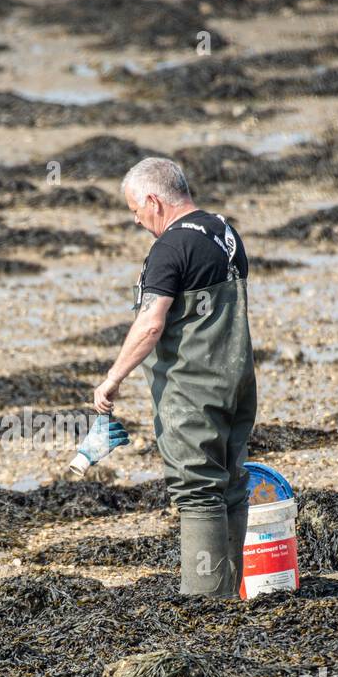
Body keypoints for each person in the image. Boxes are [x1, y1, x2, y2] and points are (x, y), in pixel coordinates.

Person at [93, 157, 256, 597]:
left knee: (198, 490)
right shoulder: (224, 231)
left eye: (136, 209)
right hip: (237, 380)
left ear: (154, 200)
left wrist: (113, 378)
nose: (136, 219)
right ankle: (229, 592)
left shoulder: (169, 248)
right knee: (232, 483)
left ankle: (206, 602)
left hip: (191, 388)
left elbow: (150, 324)